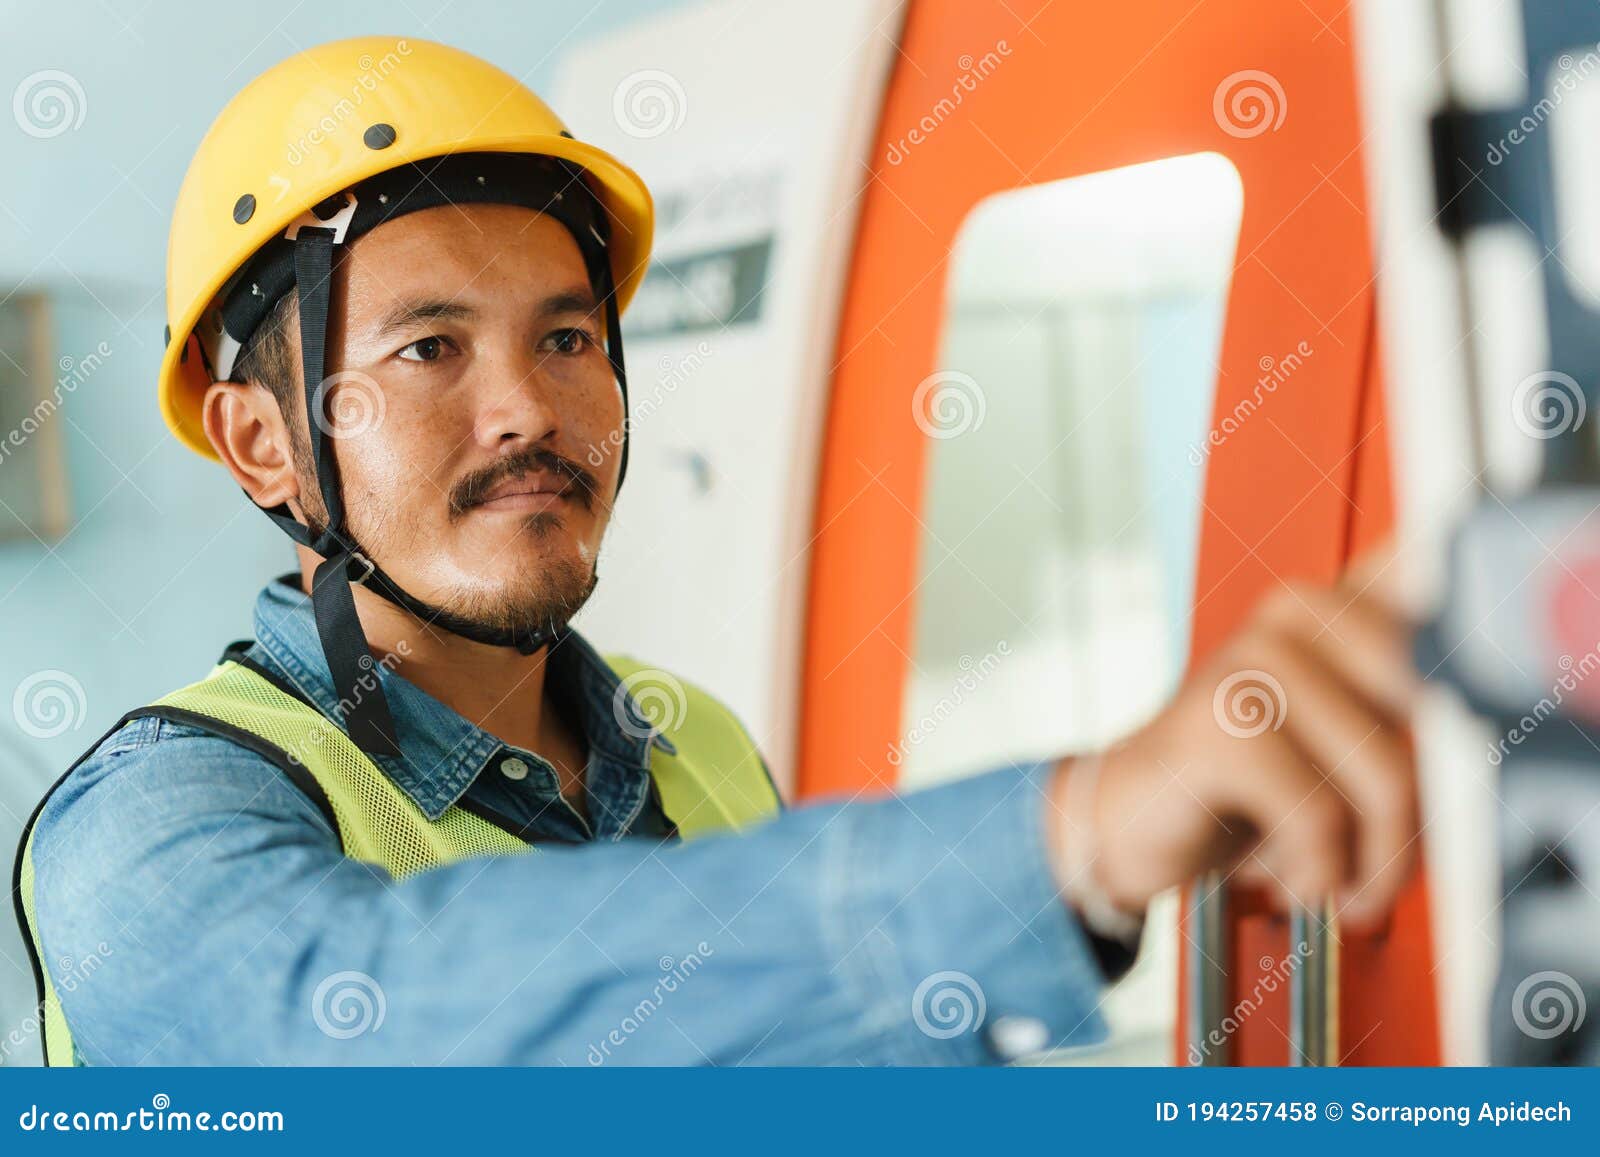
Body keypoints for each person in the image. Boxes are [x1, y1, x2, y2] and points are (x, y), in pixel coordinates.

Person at [13, 37, 1420, 1066]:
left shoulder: (694, 743)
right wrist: (1077, 833)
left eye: (567, 338)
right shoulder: (146, 821)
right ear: (265, 443)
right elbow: (369, 1024)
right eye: (430, 347)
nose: (526, 411)